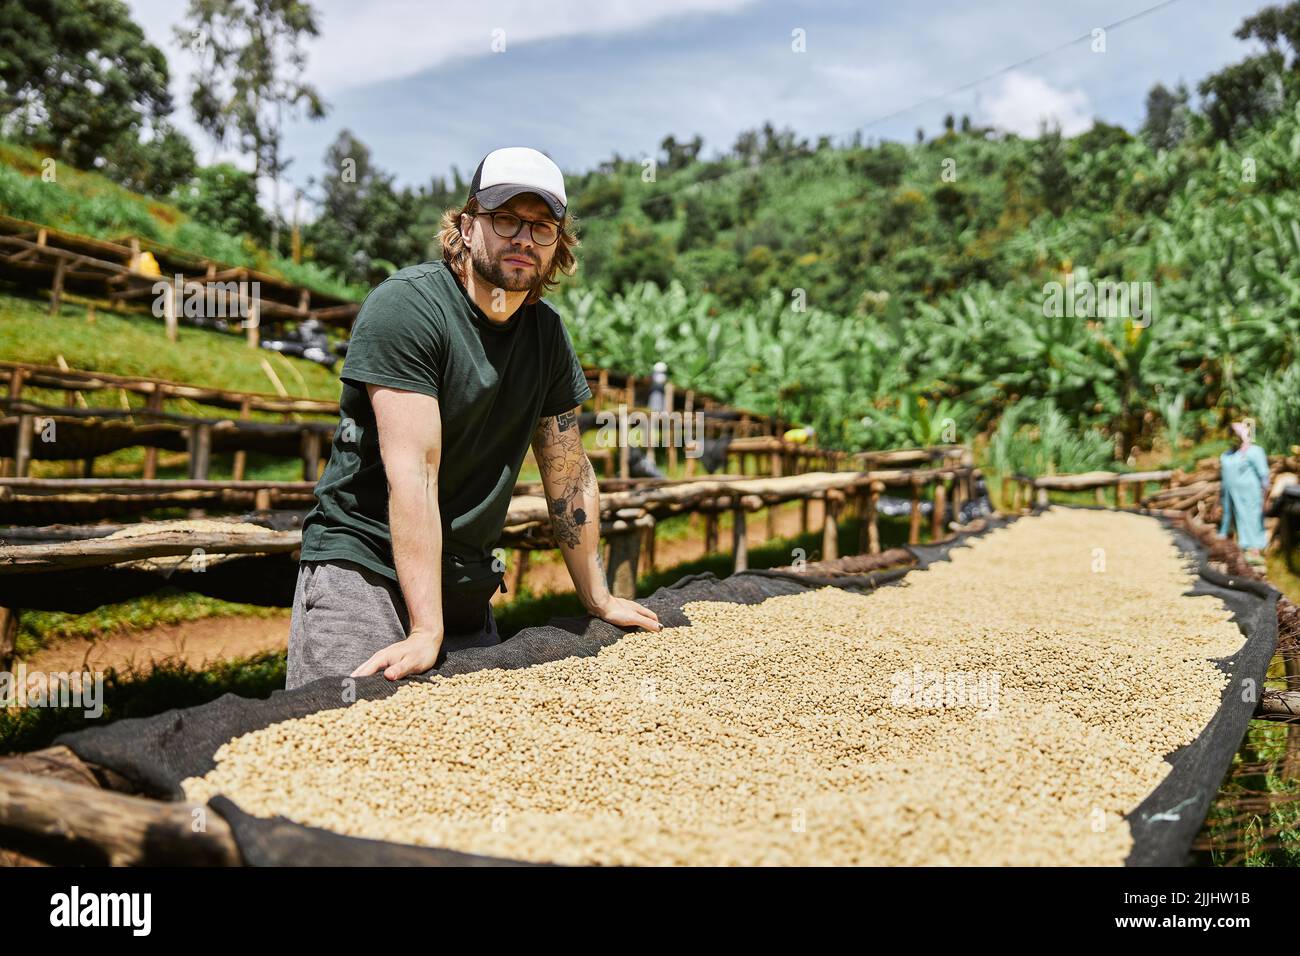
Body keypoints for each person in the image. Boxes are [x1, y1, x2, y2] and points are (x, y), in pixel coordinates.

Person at [286, 146, 662, 690]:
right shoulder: (409, 309)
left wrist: (598, 598)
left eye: (541, 227)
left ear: (558, 245)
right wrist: (424, 630)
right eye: (505, 219)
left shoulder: (546, 337)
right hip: (367, 572)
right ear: (465, 226)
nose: (523, 239)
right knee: (341, 743)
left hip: (465, 584)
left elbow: (568, 475)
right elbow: (416, 471)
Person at [1219, 421, 1269, 567]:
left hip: (1250, 498)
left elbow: (1264, 477)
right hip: (1230, 499)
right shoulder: (1227, 455)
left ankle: (1254, 555)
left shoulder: (1254, 452)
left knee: (1251, 522)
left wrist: (1265, 498)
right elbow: (1224, 480)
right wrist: (1218, 501)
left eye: (1235, 434)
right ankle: (1232, 553)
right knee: (1230, 524)